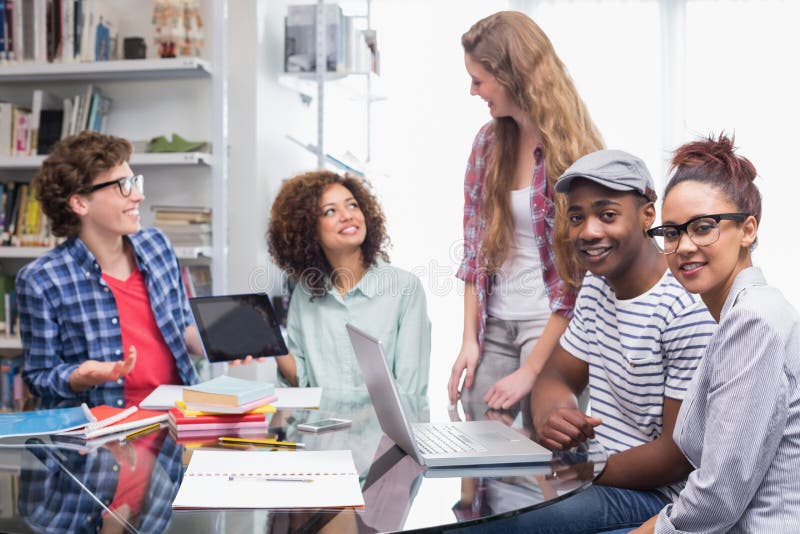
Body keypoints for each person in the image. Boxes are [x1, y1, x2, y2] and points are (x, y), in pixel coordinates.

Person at [506, 150, 717, 533]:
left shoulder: (684, 308)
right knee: (492, 506)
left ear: (647, 215)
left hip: (661, 497)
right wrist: (554, 416)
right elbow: (556, 377)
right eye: (577, 217)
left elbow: (678, 452)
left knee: (508, 523)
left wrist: (586, 471)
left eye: (607, 215)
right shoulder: (597, 285)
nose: (588, 231)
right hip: (603, 476)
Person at [625, 135, 800, 533]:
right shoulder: (743, 313)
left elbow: (718, 495)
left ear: (748, 230)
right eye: (671, 233)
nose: (684, 246)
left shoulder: (753, 320)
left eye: (703, 228)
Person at [448, 11, 604, 419]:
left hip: (551, 319)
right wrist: (469, 340)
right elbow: (474, 254)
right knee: (479, 429)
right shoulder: (487, 144)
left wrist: (533, 370)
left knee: (548, 434)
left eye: (479, 80)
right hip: (496, 320)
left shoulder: (573, 151)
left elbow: (579, 277)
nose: (472, 91)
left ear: (511, 76)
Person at [17, 131, 203, 408]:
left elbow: (181, 326)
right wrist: (81, 376)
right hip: (105, 432)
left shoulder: (157, 245)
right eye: (123, 186)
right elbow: (39, 377)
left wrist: (221, 344)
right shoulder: (42, 280)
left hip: (178, 420)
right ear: (80, 203)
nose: (139, 195)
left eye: (135, 182)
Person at [266, 170, 430, 400]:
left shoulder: (405, 289)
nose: (347, 215)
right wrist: (271, 343)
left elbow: (411, 393)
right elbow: (300, 386)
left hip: (384, 435)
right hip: (322, 435)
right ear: (307, 229)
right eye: (330, 211)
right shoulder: (305, 295)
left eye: (352, 205)